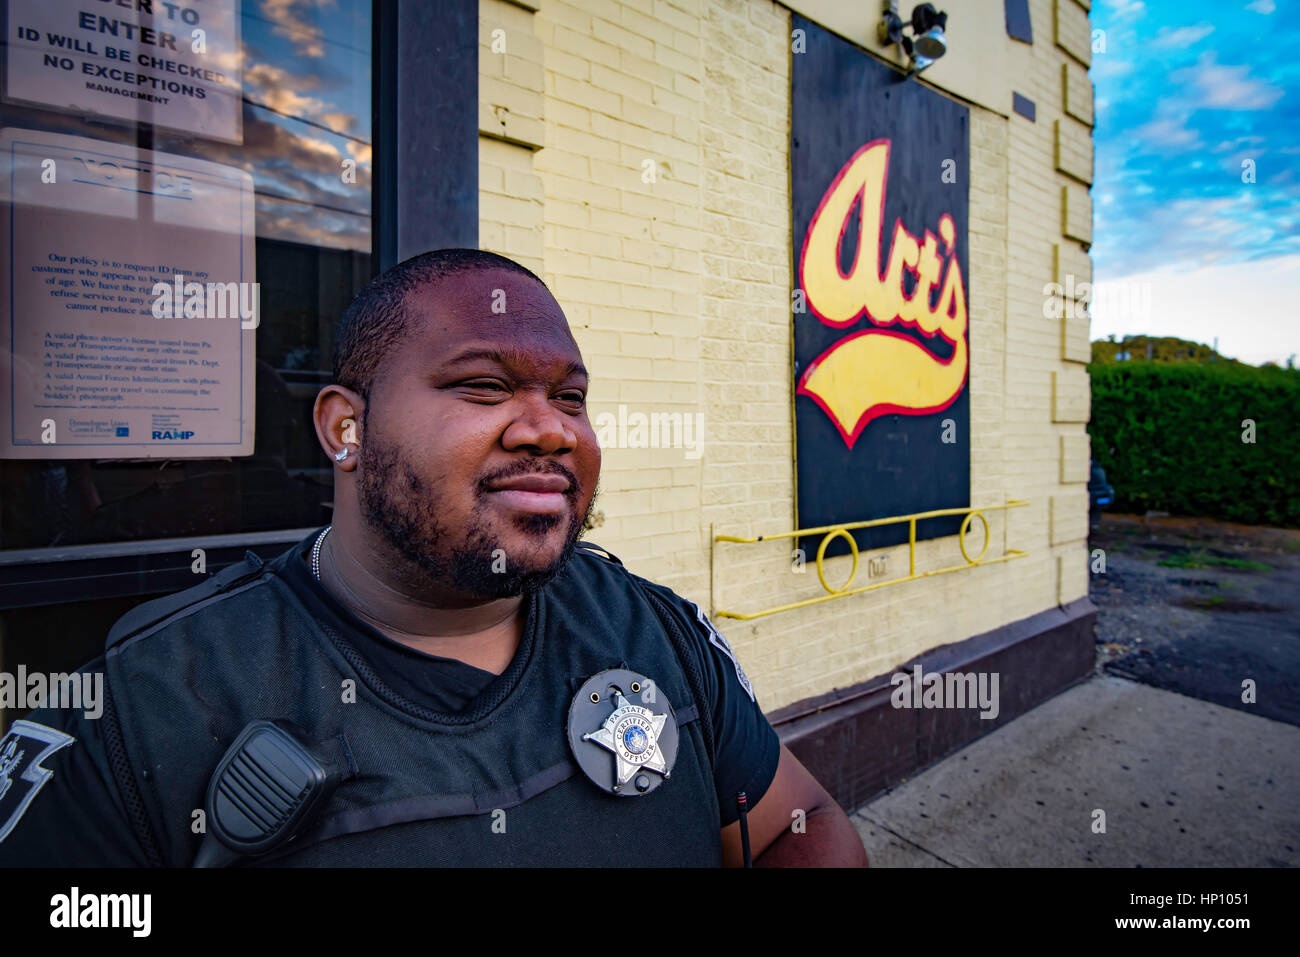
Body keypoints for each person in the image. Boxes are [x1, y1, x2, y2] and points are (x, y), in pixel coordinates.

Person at [0, 249, 867, 867]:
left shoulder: (654, 632)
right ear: (346, 427)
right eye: (484, 386)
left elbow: (807, 821)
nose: (550, 427)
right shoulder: (146, 705)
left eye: (570, 396)